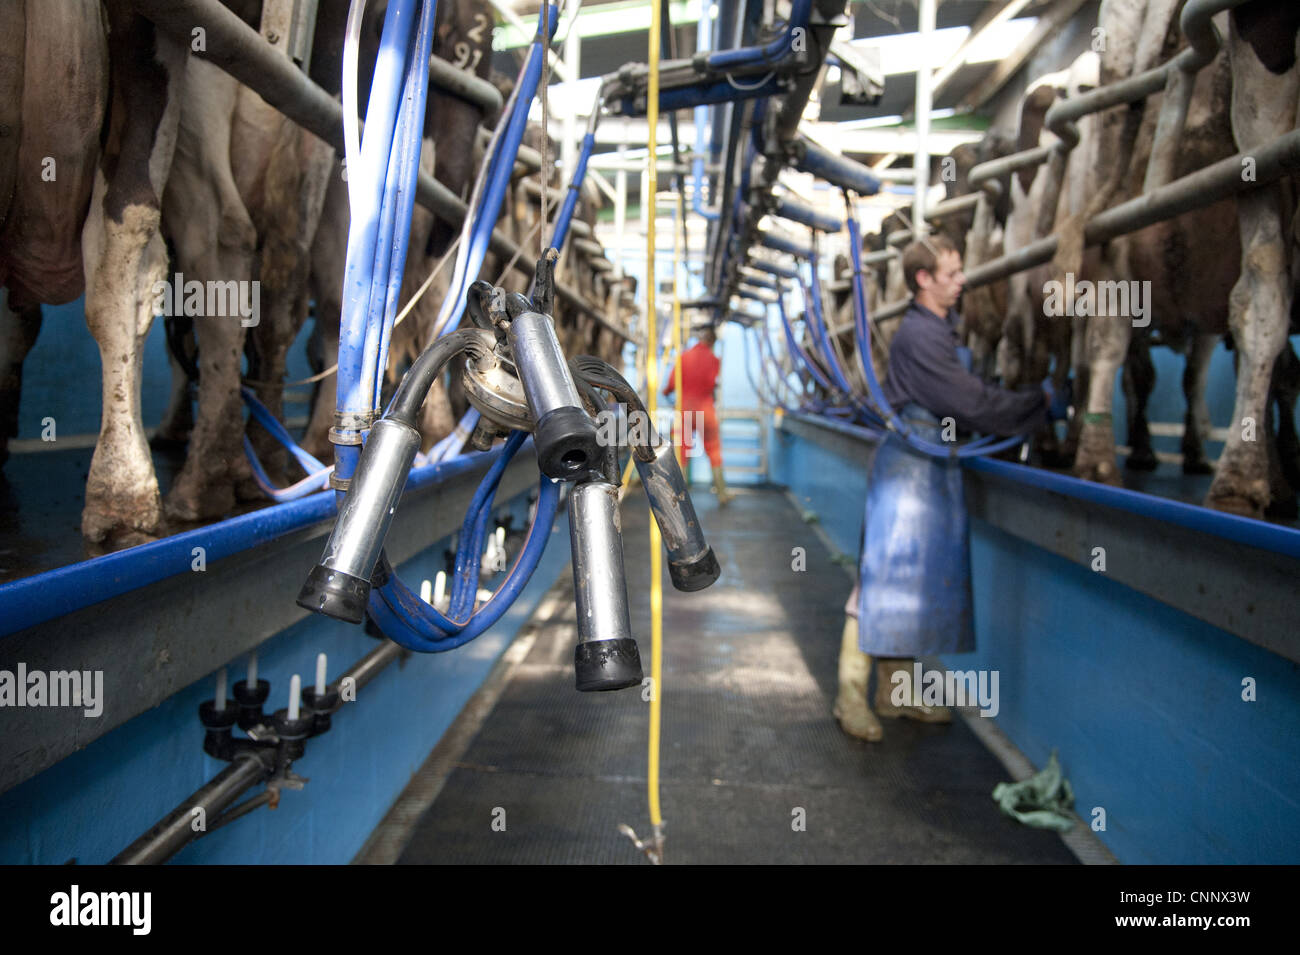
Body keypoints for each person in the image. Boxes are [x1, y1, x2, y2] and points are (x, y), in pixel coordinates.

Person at [834, 234, 1049, 742]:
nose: (962, 281)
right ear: (923, 280)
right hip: (909, 467)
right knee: (882, 582)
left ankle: (895, 693)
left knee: (910, 586)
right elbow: (968, 401)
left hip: (928, 465)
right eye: (951, 274)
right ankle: (849, 695)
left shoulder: (937, 329)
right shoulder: (922, 336)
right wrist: (1035, 406)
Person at [664, 324, 732, 504]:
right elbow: (712, 383)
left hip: (685, 410)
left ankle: (679, 495)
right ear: (712, 342)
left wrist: (667, 392)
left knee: (681, 451)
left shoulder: (683, 357)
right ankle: (722, 494)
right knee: (714, 450)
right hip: (706, 410)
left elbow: (670, 385)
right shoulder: (714, 360)